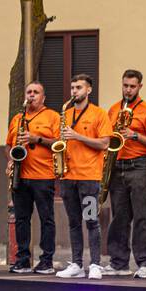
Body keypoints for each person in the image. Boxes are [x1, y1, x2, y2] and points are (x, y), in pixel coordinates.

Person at [53, 75, 112, 279]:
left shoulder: (99, 114)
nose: (74, 91)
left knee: (91, 220)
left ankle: (95, 264)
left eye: (78, 87)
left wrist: (77, 136)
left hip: (89, 177)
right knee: (74, 222)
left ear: (89, 90)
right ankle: (77, 264)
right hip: (68, 176)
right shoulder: (66, 114)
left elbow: (104, 143)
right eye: (72, 87)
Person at [105, 70, 146, 277]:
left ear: (140, 87)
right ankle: (118, 263)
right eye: (125, 85)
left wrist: (135, 135)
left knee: (143, 215)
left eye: (132, 86)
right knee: (119, 216)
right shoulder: (113, 109)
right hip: (117, 165)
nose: (128, 90)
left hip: (141, 165)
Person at [6, 81, 62, 274]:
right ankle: (22, 259)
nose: (31, 95)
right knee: (21, 218)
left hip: (43, 175)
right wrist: (10, 161)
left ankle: (46, 260)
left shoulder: (52, 116)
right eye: (29, 92)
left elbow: (59, 143)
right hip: (20, 176)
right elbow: (8, 145)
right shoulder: (17, 118)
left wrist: (36, 139)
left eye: (35, 92)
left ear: (43, 97)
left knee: (46, 219)